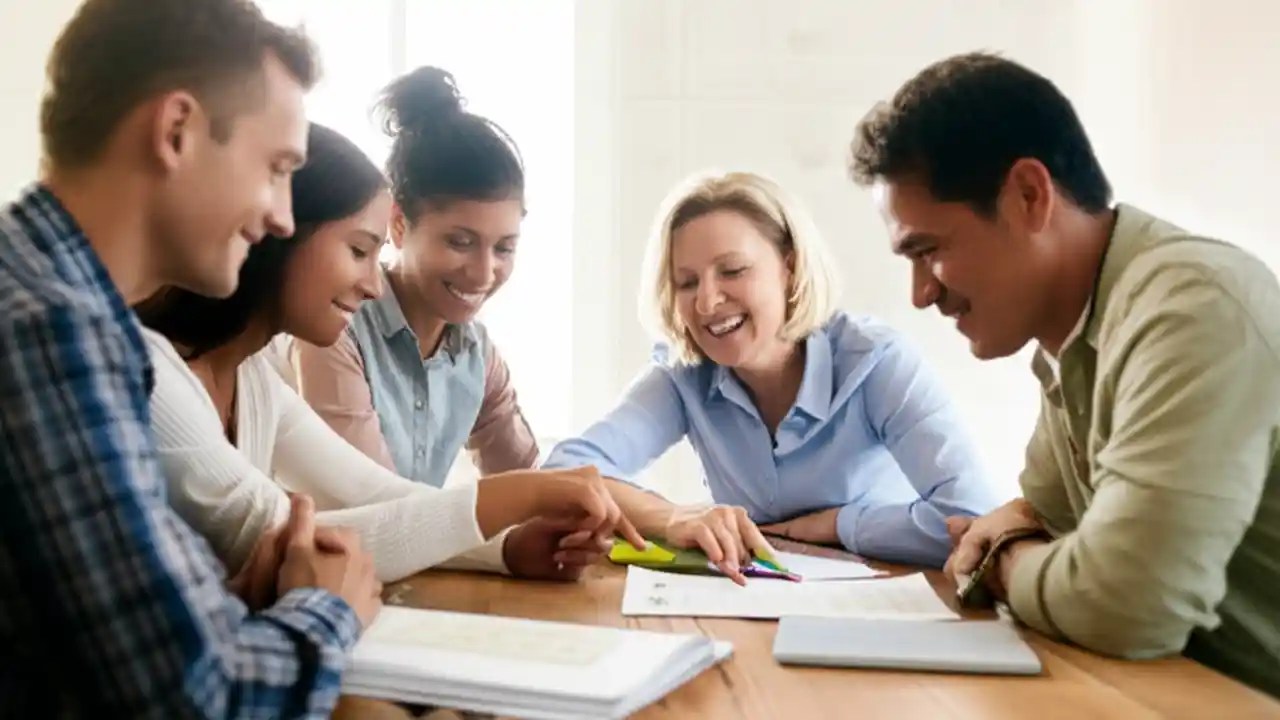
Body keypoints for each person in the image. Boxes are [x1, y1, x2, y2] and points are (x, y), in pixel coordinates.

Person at [849, 51, 1280, 698]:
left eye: (928, 249)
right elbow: (1035, 519)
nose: (920, 294)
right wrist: (1023, 544)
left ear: (1029, 195)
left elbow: (1126, 602)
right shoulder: (1073, 339)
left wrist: (1007, 564)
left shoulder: (1193, 306)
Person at [0, 1, 381, 716]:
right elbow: (193, 700)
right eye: (276, 168)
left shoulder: (55, 303)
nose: (282, 217)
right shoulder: (49, 328)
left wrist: (225, 607)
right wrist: (327, 609)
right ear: (176, 131)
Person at [138, 122, 639, 584]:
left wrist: (509, 548)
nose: (374, 285)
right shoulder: (151, 375)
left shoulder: (253, 379)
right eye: (358, 251)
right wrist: (521, 495)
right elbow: (276, 533)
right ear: (276, 232)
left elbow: (375, 494)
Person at [543, 170, 998, 579]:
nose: (706, 302)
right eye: (687, 282)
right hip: (754, 602)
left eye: (732, 271)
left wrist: (839, 525)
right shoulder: (684, 377)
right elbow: (564, 472)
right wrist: (672, 517)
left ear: (789, 268)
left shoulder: (876, 362)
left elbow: (975, 521)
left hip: (887, 605)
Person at [292, 67, 538, 489]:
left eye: (503, 248)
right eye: (460, 242)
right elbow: (369, 504)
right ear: (399, 224)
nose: (484, 273)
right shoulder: (336, 330)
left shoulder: (477, 355)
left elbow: (532, 482)